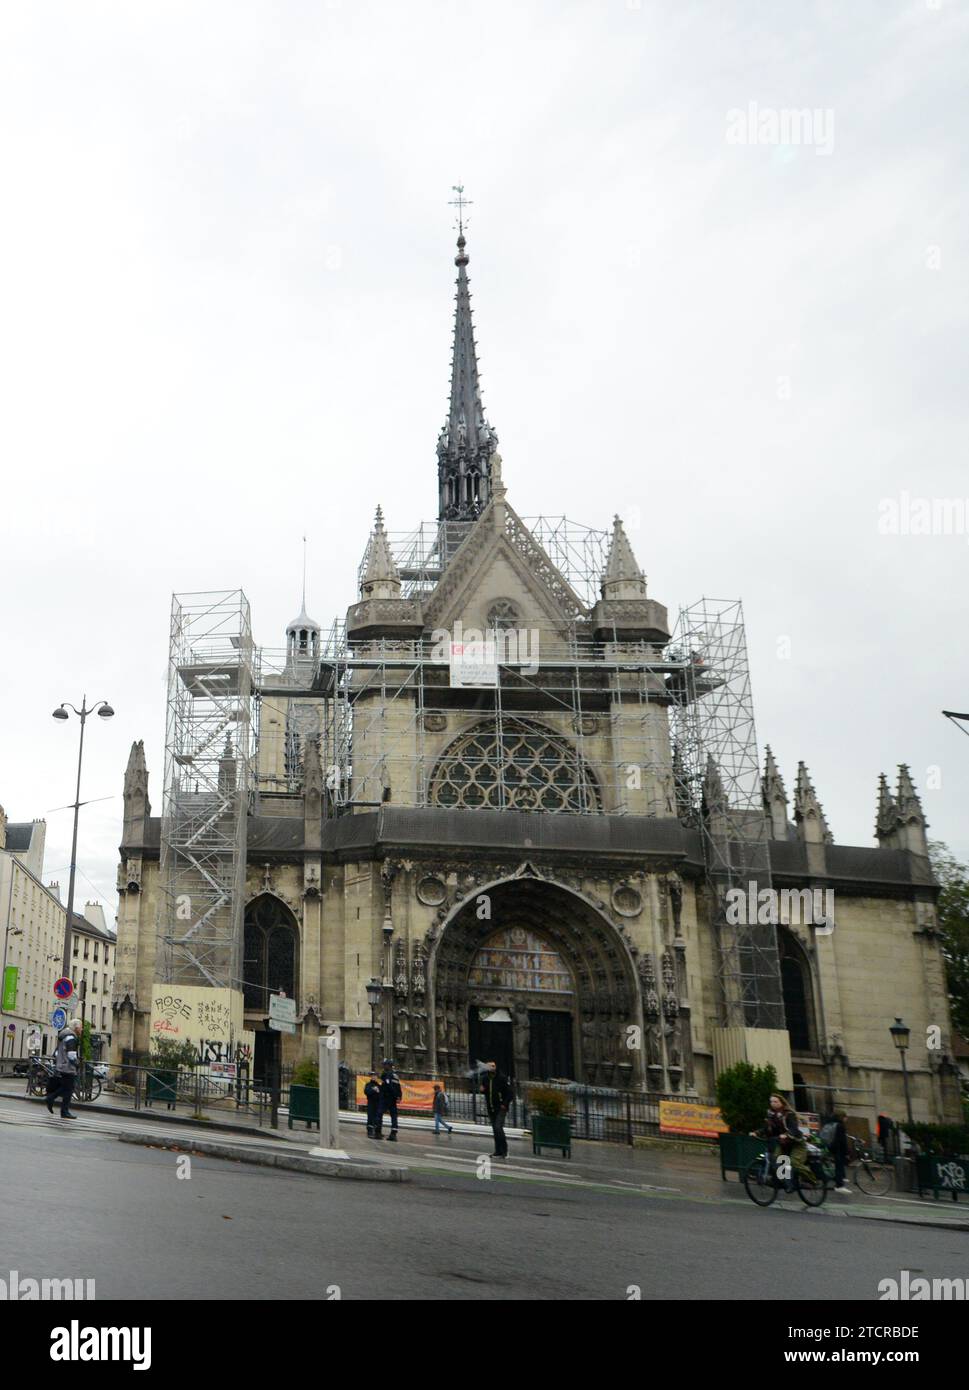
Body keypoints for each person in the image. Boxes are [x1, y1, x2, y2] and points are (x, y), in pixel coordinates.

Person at [752, 1092, 814, 1190]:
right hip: (783, 1143)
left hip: (796, 1143)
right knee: (778, 1160)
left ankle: (813, 1180)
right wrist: (756, 1133)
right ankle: (787, 1183)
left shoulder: (789, 1114)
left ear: (781, 1102)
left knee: (794, 1163)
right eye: (771, 1101)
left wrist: (786, 1135)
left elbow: (794, 1128)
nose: (773, 1103)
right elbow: (766, 1128)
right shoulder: (771, 1115)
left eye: (775, 1101)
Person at [46, 1018, 82, 1120]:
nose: (81, 1030)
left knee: (66, 1088)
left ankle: (53, 1100)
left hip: (61, 1065)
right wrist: (77, 1064)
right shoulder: (71, 1038)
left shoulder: (64, 1036)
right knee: (68, 1089)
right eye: (80, 1027)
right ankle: (63, 1110)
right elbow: (71, 1055)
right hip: (68, 1067)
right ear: (76, 1027)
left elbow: (57, 1052)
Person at [481, 1061, 513, 1158]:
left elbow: (510, 1093)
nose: (492, 1067)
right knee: (495, 1129)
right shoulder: (485, 1078)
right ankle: (498, 1151)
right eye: (490, 1066)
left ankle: (504, 1151)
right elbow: (487, 1091)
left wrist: (505, 1103)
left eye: (494, 1066)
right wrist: (483, 1090)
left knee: (498, 1127)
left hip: (500, 1107)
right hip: (491, 1107)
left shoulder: (501, 1078)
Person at [822, 1109, 852, 1194]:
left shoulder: (829, 1123)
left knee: (838, 1164)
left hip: (829, 1145)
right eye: (845, 1117)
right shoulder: (840, 1125)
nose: (846, 1119)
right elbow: (842, 1141)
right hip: (836, 1148)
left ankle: (841, 1178)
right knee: (839, 1165)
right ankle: (839, 1186)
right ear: (842, 1117)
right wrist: (847, 1152)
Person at [375, 1060, 402, 1141]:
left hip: (386, 1098)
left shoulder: (387, 1075)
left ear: (389, 1066)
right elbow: (398, 1086)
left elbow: (388, 1086)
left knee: (379, 1114)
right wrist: (398, 1096)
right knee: (394, 1116)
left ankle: (378, 1132)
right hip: (393, 1099)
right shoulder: (395, 1075)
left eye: (385, 1065)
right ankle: (393, 1133)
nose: (383, 1066)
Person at [363, 1071, 381, 1138]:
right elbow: (366, 1092)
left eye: (375, 1076)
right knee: (370, 1117)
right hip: (371, 1103)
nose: (374, 1077)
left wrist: (378, 1091)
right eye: (372, 1076)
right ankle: (369, 1131)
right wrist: (373, 1090)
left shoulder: (379, 1086)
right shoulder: (368, 1084)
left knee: (376, 1118)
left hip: (377, 1103)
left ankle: (376, 1132)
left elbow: (381, 1095)